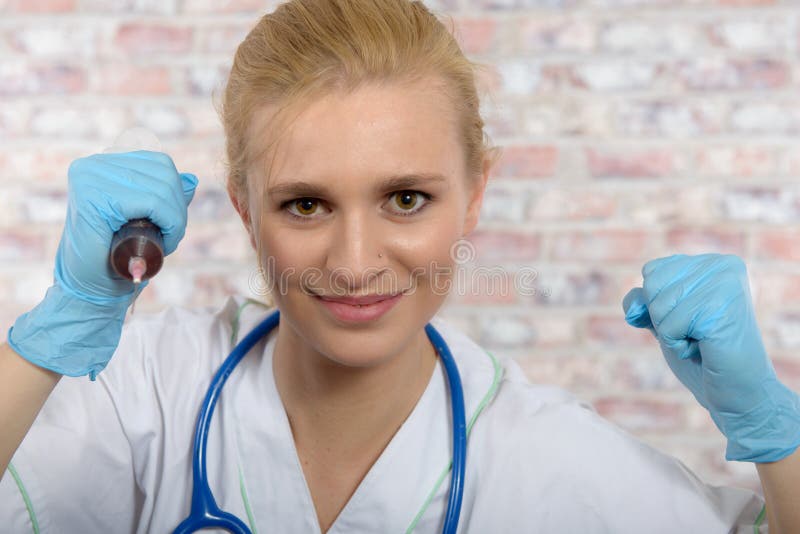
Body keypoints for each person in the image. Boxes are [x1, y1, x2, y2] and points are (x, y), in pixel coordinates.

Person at [1, 0, 799, 532]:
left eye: (407, 199)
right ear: (246, 212)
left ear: (476, 195)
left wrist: (775, 436)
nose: (354, 264)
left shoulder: (552, 459)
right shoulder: (140, 391)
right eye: (305, 205)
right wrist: (51, 336)